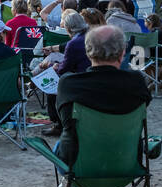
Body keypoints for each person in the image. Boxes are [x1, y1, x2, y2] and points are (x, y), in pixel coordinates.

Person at [54, 25, 153, 168]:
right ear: (123, 52)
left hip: (79, 166)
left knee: (60, 144)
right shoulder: (136, 82)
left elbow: (64, 121)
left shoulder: (69, 83)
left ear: (88, 53)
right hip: (126, 164)